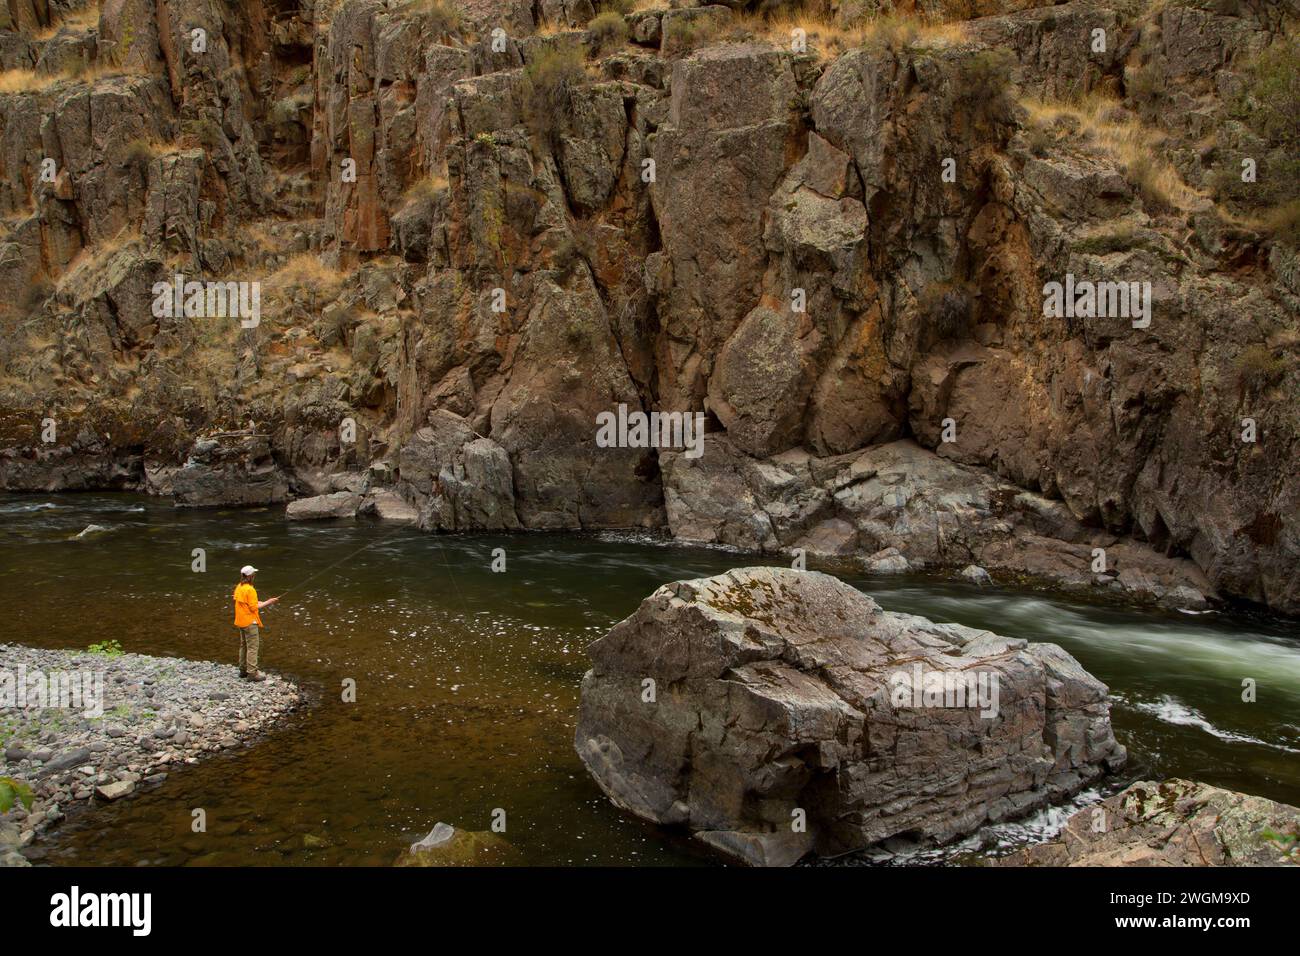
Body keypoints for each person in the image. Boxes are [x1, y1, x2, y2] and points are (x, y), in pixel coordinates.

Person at [233, 565, 278, 681]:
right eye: (254, 574)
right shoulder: (250, 589)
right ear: (251, 576)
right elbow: (254, 608)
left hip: (240, 621)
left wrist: (259, 601)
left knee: (243, 646)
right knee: (252, 647)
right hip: (249, 623)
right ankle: (252, 674)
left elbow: (245, 603)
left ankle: (243, 671)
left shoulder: (239, 586)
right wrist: (269, 602)